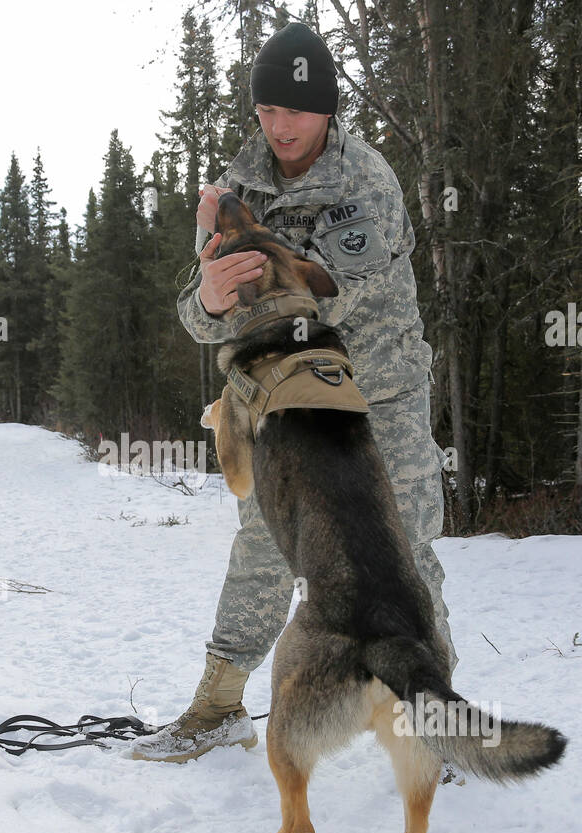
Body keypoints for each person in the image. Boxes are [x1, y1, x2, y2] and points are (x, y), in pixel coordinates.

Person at [131, 22, 456, 763]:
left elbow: (325, 297)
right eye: (267, 110)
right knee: (264, 542)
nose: (280, 126)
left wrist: (242, 251)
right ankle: (218, 703)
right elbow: (202, 316)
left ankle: (434, 712)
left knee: (406, 548)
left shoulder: (365, 181)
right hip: (284, 395)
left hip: (380, 393)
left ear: (329, 110)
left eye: (296, 111)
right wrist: (210, 298)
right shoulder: (238, 187)